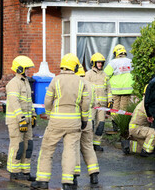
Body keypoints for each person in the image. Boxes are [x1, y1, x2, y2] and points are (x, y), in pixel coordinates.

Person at [31, 53, 90, 190]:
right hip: (74, 122)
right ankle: (68, 182)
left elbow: (47, 101)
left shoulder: (55, 80)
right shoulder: (81, 82)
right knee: (70, 151)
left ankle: (43, 180)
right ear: (75, 67)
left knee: (47, 150)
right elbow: (85, 104)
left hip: (56, 121)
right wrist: (84, 120)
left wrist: (51, 114)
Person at [6, 55, 37, 181]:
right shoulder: (13, 84)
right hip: (16, 121)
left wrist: (33, 115)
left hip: (27, 121)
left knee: (28, 146)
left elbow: (29, 101)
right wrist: (21, 118)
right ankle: (14, 171)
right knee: (17, 146)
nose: (29, 71)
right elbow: (14, 102)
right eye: (27, 68)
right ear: (20, 69)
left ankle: (25, 171)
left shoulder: (26, 83)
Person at [73, 66, 100, 185]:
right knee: (88, 147)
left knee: (73, 148)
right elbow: (94, 103)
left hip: (75, 121)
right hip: (88, 122)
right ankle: (94, 174)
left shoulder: (73, 85)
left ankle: (74, 176)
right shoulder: (90, 86)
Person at [84, 52, 109, 151]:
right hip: (92, 105)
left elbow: (109, 89)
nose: (100, 64)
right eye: (98, 62)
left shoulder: (105, 75)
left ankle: (96, 144)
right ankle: (88, 144)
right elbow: (85, 89)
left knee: (101, 125)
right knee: (90, 125)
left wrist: (110, 100)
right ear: (93, 63)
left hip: (102, 105)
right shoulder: (88, 74)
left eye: (101, 63)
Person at [125, 87, 155, 157]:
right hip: (137, 128)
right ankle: (146, 152)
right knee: (154, 133)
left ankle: (129, 145)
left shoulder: (145, 102)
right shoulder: (146, 104)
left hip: (137, 128)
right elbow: (152, 117)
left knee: (145, 145)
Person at [104, 44, 133, 114]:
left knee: (115, 109)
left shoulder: (113, 62)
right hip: (127, 90)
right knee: (124, 109)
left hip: (115, 91)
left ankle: (115, 123)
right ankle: (122, 124)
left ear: (115, 53)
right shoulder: (130, 62)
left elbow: (105, 75)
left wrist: (105, 87)